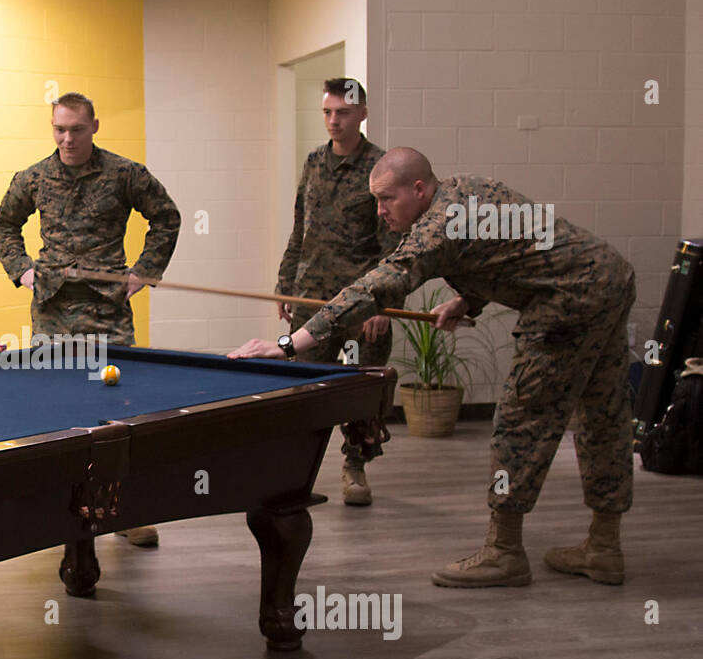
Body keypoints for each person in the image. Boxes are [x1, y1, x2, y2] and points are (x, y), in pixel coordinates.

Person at [230, 147, 636, 588]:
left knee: (522, 422)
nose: (380, 211)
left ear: (418, 189)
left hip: (569, 302)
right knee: (604, 414)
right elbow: (515, 251)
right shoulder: (465, 188)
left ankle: (504, 553)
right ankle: (604, 547)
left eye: (388, 199)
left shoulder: (438, 227)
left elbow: (377, 286)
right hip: (610, 278)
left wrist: (289, 345)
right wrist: (468, 300)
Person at [0, 91, 181, 546]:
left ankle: (124, 512)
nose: (68, 138)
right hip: (52, 309)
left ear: (94, 126)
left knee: (119, 414)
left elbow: (167, 218)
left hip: (107, 309)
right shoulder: (33, 177)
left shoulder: (123, 173)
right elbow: (3, 223)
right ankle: (62, 513)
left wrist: (145, 271)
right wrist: (21, 269)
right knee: (55, 414)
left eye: (77, 129)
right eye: (60, 129)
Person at [276, 78, 401, 505]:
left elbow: (395, 245)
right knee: (306, 390)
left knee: (363, 393)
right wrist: (285, 285)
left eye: (343, 113)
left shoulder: (382, 168)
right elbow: (300, 227)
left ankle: (355, 467)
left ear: (362, 114)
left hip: (364, 303)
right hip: (312, 299)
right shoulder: (313, 162)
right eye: (327, 112)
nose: (333, 121)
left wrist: (386, 306)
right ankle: (297, 470)